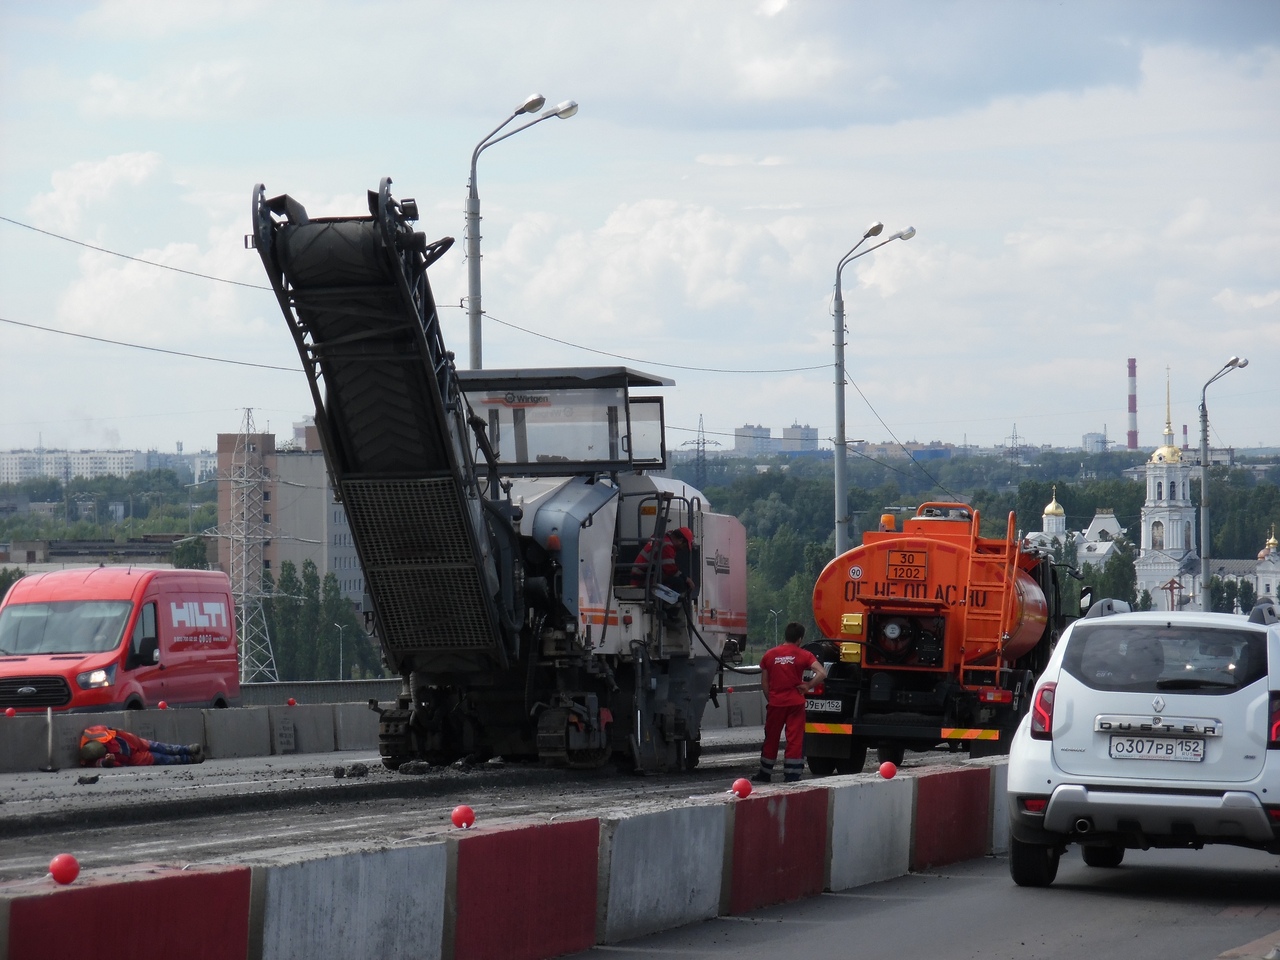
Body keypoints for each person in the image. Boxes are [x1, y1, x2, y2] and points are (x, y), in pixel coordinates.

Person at [754, 622, 827, 783]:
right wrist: (808, 685)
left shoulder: (769, 655)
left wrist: (771, 698)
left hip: (776, 703)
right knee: (794, 738)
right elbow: (822, 672)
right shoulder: (804, 655)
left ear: (785, 636)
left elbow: (764, 683)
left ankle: (765, 773)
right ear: (799, 639)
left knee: (771, 737)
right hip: (795, 703)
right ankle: (792, 774)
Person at [79, 725, 204, 767]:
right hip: (132, 757)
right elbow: (106, 764)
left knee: (161, 747)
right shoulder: (93, 761)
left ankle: (187, 749)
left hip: (132, 742)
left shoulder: (92, 734)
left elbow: (108, 728)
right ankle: (190, 759)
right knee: (161, 758)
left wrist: (118, 730)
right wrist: (108, 761)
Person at [629, 526, 695, 595]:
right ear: (680, 540)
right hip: (642, 580)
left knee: (675, 580)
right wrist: (686, 579)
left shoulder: (664, 539)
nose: (683, 549)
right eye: (684, 546)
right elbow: (670, 570)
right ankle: (670, 605)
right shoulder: (667, 545)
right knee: (679, 583)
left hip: (642, 576)